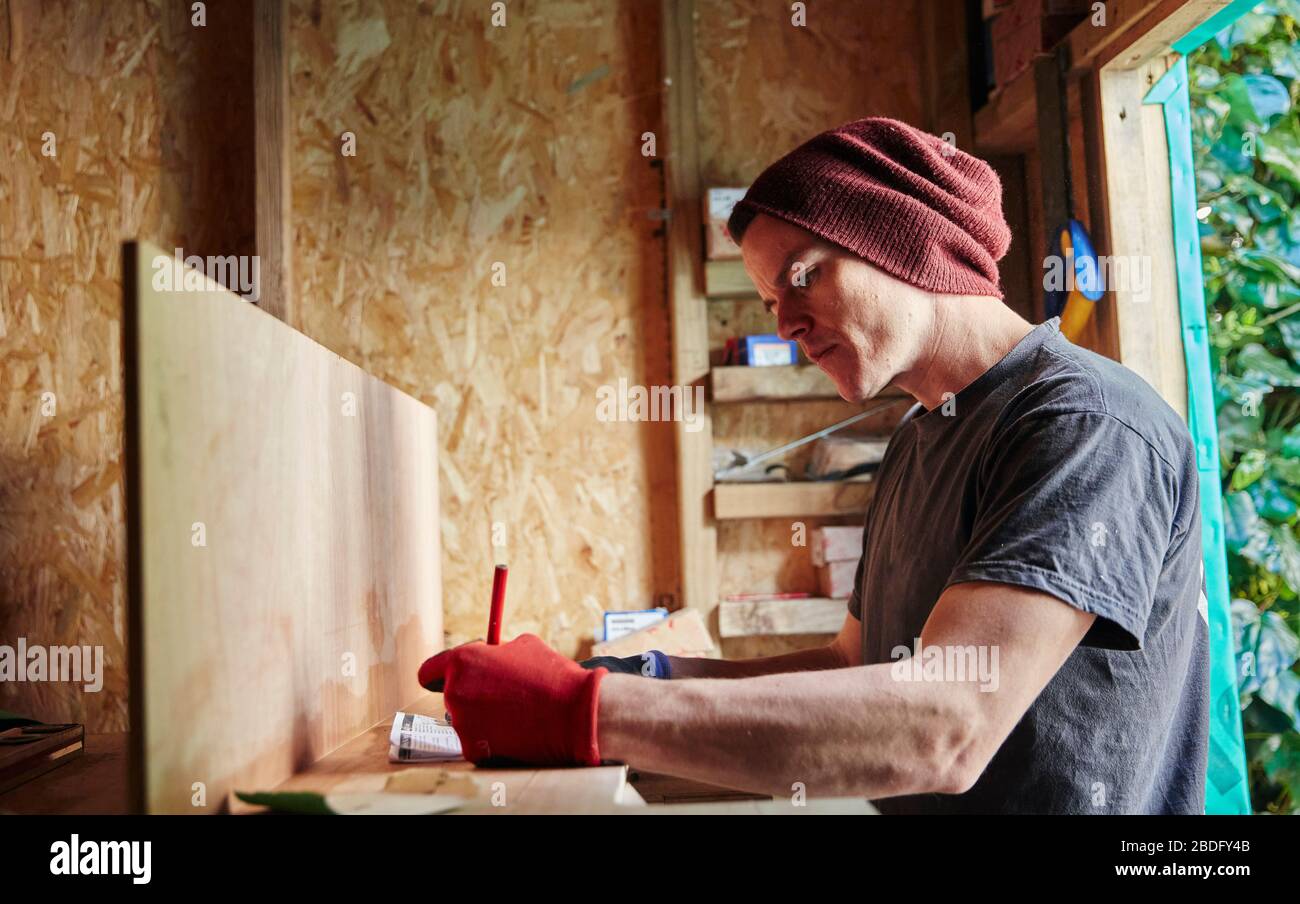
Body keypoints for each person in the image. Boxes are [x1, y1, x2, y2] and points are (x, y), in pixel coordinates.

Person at [418, 118, 1209, 814]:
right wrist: (648, 674)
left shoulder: (1085, 425)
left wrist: (583, 709)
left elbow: (946, 725)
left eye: (803, 274)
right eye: (769, 304)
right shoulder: (918, 438)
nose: (789, 322)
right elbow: (851, 665)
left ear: (907, 243)